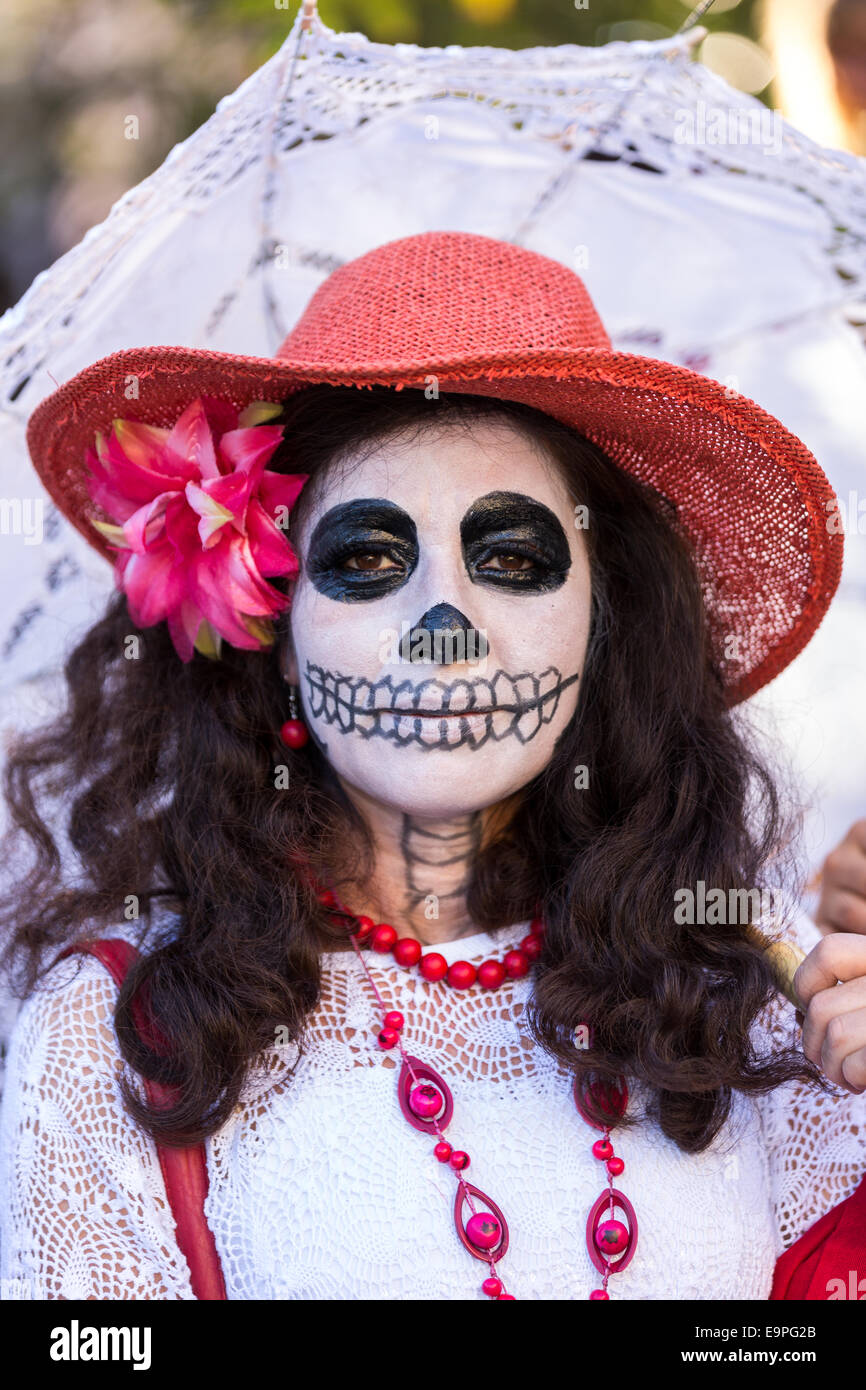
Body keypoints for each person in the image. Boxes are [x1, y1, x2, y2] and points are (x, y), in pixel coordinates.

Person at [0, 230, 864, 1301]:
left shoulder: (757, 980)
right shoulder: (115, 1037)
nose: (444, 626)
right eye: (367, 559)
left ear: (605, 623)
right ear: (272, 628)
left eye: (509, 559)